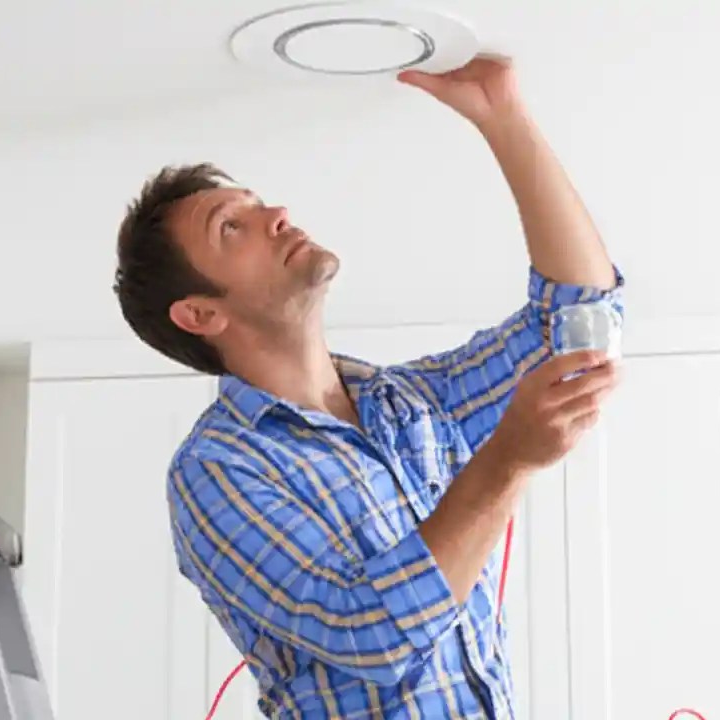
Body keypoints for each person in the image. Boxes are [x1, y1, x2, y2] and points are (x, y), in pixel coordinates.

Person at [113, 55, 624, 720]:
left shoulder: (410, 405)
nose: (276, 214)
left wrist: (504, 119)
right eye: (230, 227)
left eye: (257, 203)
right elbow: (372, 633)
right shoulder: (218, 470)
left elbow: (579, 329)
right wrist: (508, 460)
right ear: (201, 314)